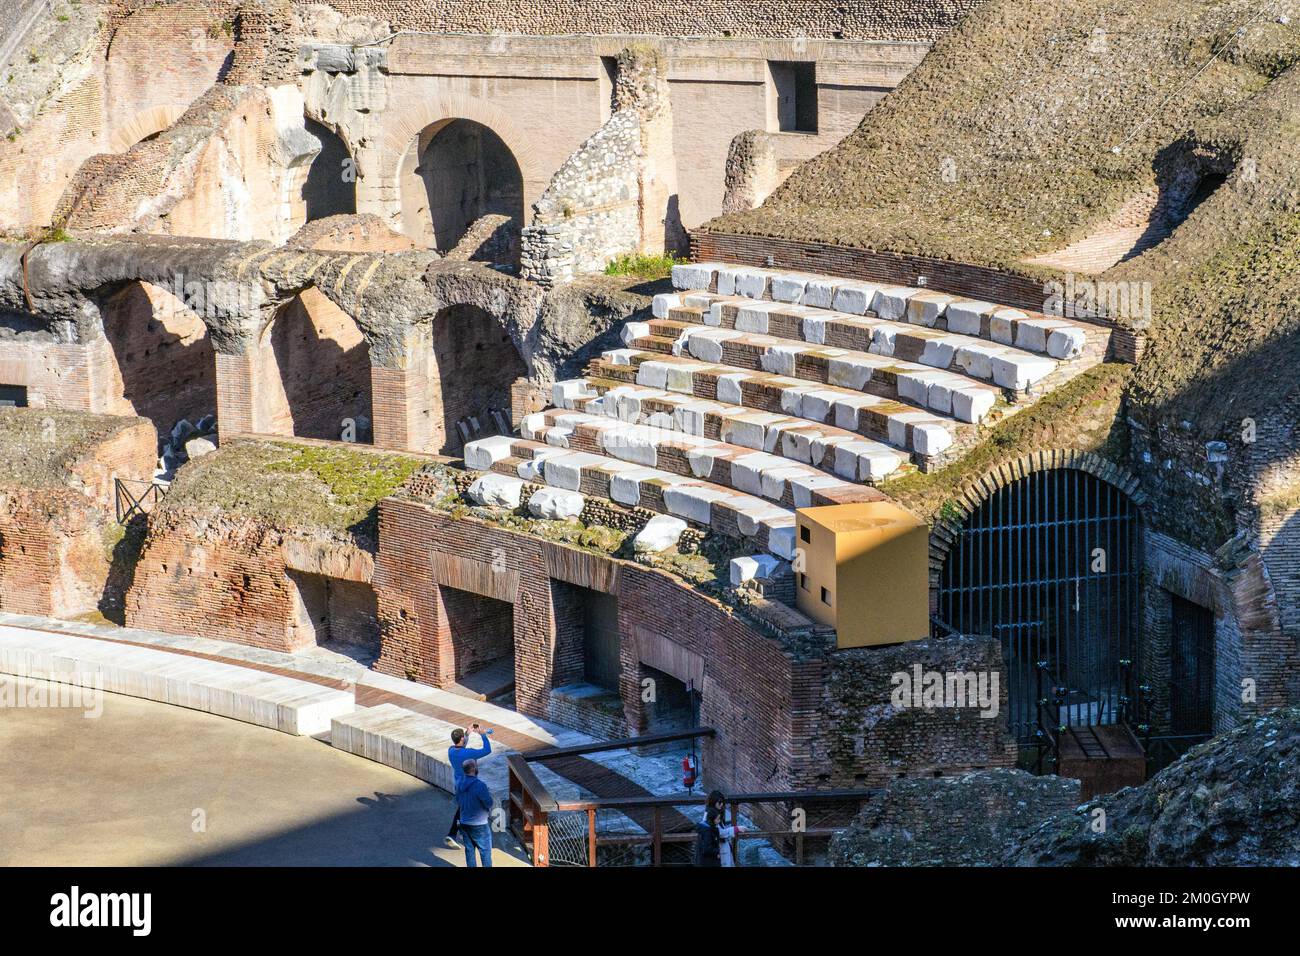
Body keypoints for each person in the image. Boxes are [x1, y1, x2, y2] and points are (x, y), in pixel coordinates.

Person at [444, 723, 493, 849]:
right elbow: (487, 750)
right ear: (461, 739)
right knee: (475, 810)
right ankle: (461, 834)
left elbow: (461, 747)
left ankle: (453, 833)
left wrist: (467, 733)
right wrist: (483, 735)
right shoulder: (469, 753)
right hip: (471, 785)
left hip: (459, 785)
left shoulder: (451, 751)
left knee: (462, 809)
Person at [455, 758, 495, 867]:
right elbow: (489, 803)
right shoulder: (480, 785)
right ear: (473, 769)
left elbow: (458, 800)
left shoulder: (459, 784)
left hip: (464, 823)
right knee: (485, 853)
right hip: (480, 825)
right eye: (476, 766)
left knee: (469, 852)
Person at [696, 789, 743, 867]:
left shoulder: (715, 812)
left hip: (722, 849)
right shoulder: (709, 816)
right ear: (713, 802)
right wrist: (736, 829)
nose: (721, 804)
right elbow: (719, 832)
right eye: (719, 802)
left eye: (722, 802)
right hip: (719, 851)